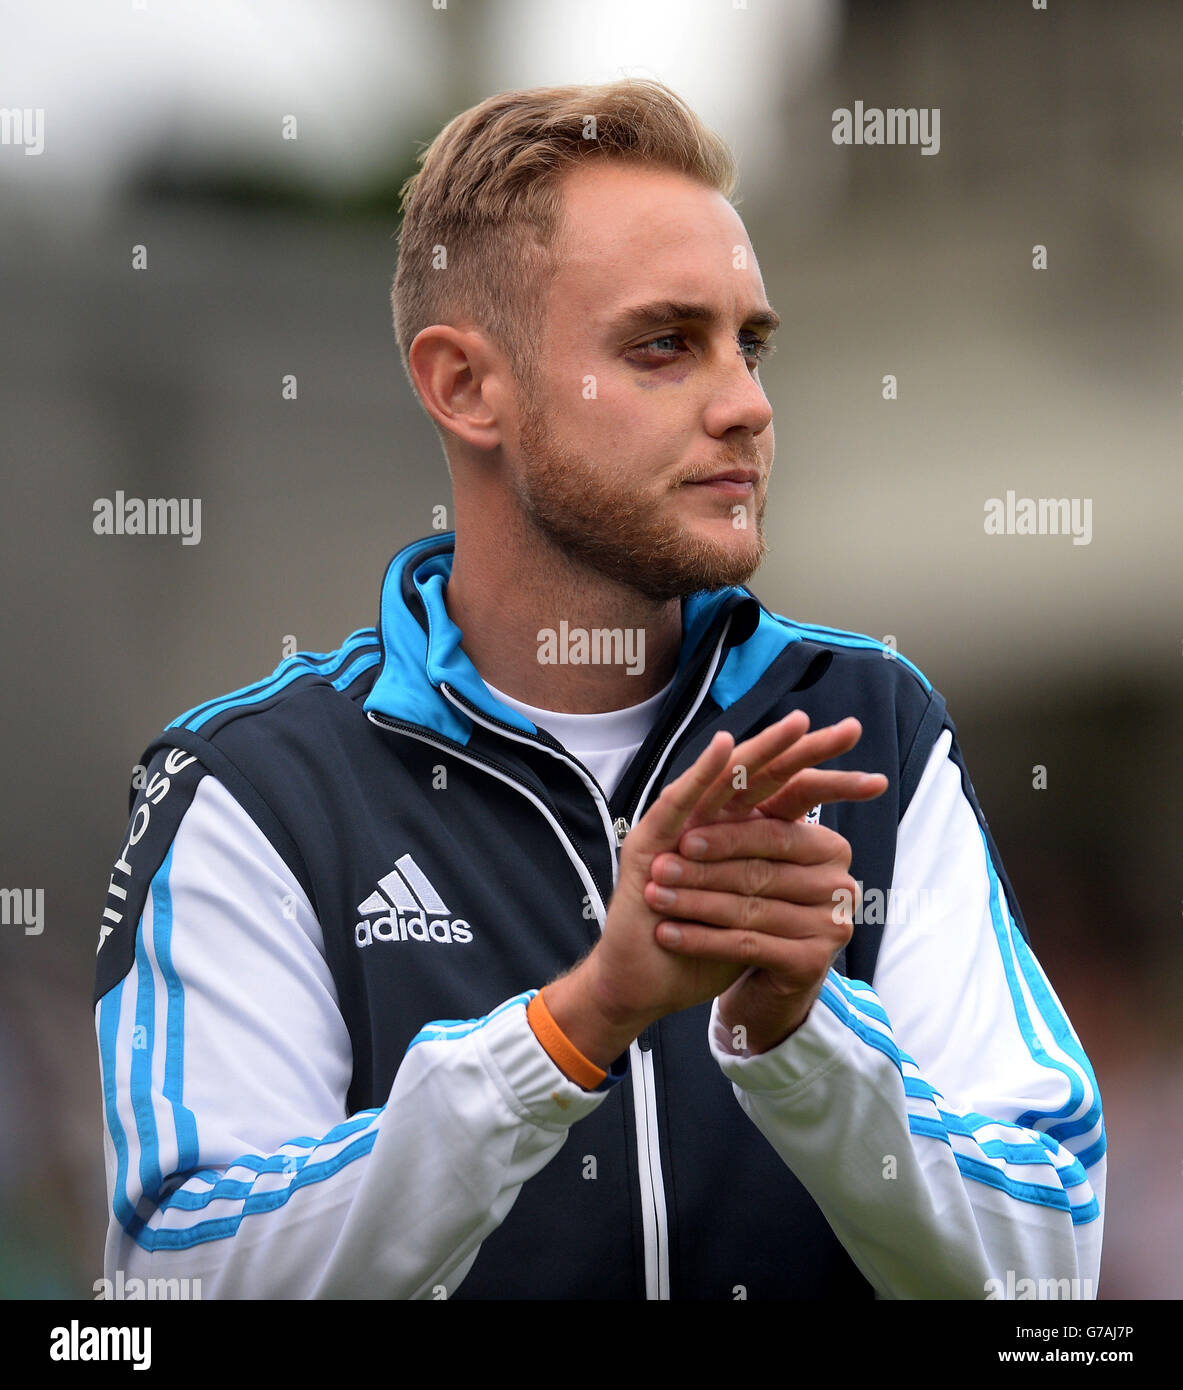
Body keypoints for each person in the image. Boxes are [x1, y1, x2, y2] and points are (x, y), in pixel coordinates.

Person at [94, 79, 1104, 1300]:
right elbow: (170, 1287)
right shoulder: (257, 785)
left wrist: (804, 1037)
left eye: (751, 342)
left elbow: (1048, 1271)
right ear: (466, 385)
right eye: (664, 344)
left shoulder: (871, 721)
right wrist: (574, 1026)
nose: (746, 403)